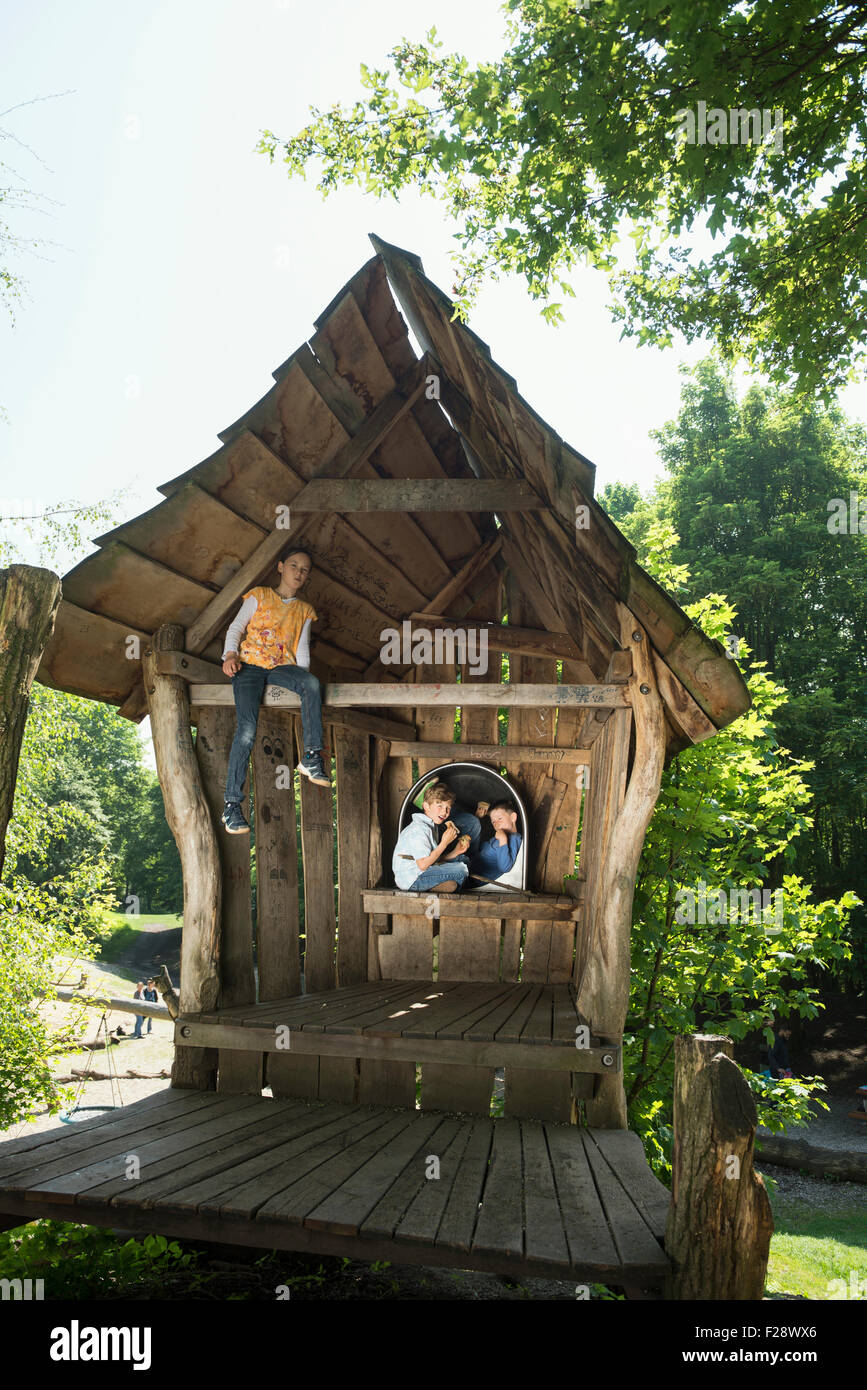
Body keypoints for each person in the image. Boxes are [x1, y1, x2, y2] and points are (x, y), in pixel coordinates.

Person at [220, 546, 329, 835]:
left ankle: (311, 757)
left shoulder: (305, 610)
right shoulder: (259, 595)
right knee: (246, 729)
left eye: (304, 570)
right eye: (294, 566)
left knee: (312, 683)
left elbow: (301, 651)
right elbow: (236, 628)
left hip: (282, 667)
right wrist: (230, 656)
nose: (299, 572)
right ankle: (232, 805)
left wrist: (301, 682)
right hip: (250, 666)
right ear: (280, 567)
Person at [392, 780, 475, 893]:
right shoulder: (419, 828)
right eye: (439, 805)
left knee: (463, 859)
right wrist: (444, 843)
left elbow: (432, 858)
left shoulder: (432, 826)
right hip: (411, 879)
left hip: (424, 871)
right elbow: (423, 864)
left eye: (448, 807)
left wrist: (455, 852)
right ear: (426, 806)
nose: (445, 812)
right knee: (461, 869)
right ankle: (434, 886)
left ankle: (436, 886)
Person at [469, 798, 522, 882]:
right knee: (472, 822)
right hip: (470, 862)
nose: (496, 824)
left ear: (513, 817)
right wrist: (477, 819)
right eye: (493, 822)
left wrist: (503, 840)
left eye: (500, 819)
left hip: (475, 879)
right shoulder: (500, 836)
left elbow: (505, 867)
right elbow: (482, 847)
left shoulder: (513, 839)